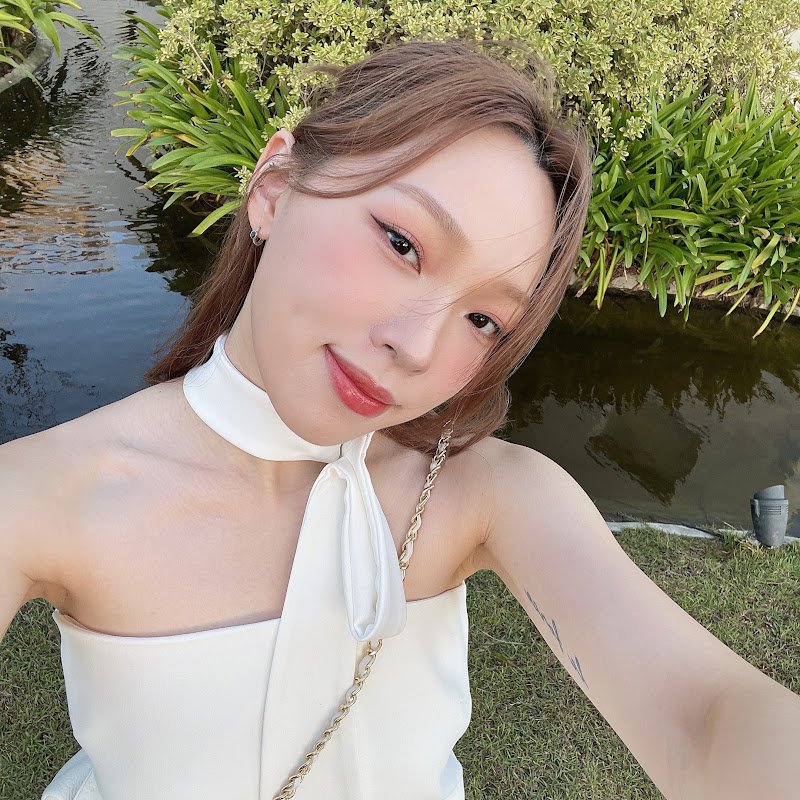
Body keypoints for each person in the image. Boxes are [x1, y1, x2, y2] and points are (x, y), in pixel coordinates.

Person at [1, 38, 799, 800]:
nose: (415, 348)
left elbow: (704, 718)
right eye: (401, 243)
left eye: (483, 320)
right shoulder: (43, 496)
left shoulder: (486, 495)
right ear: (274, 188)